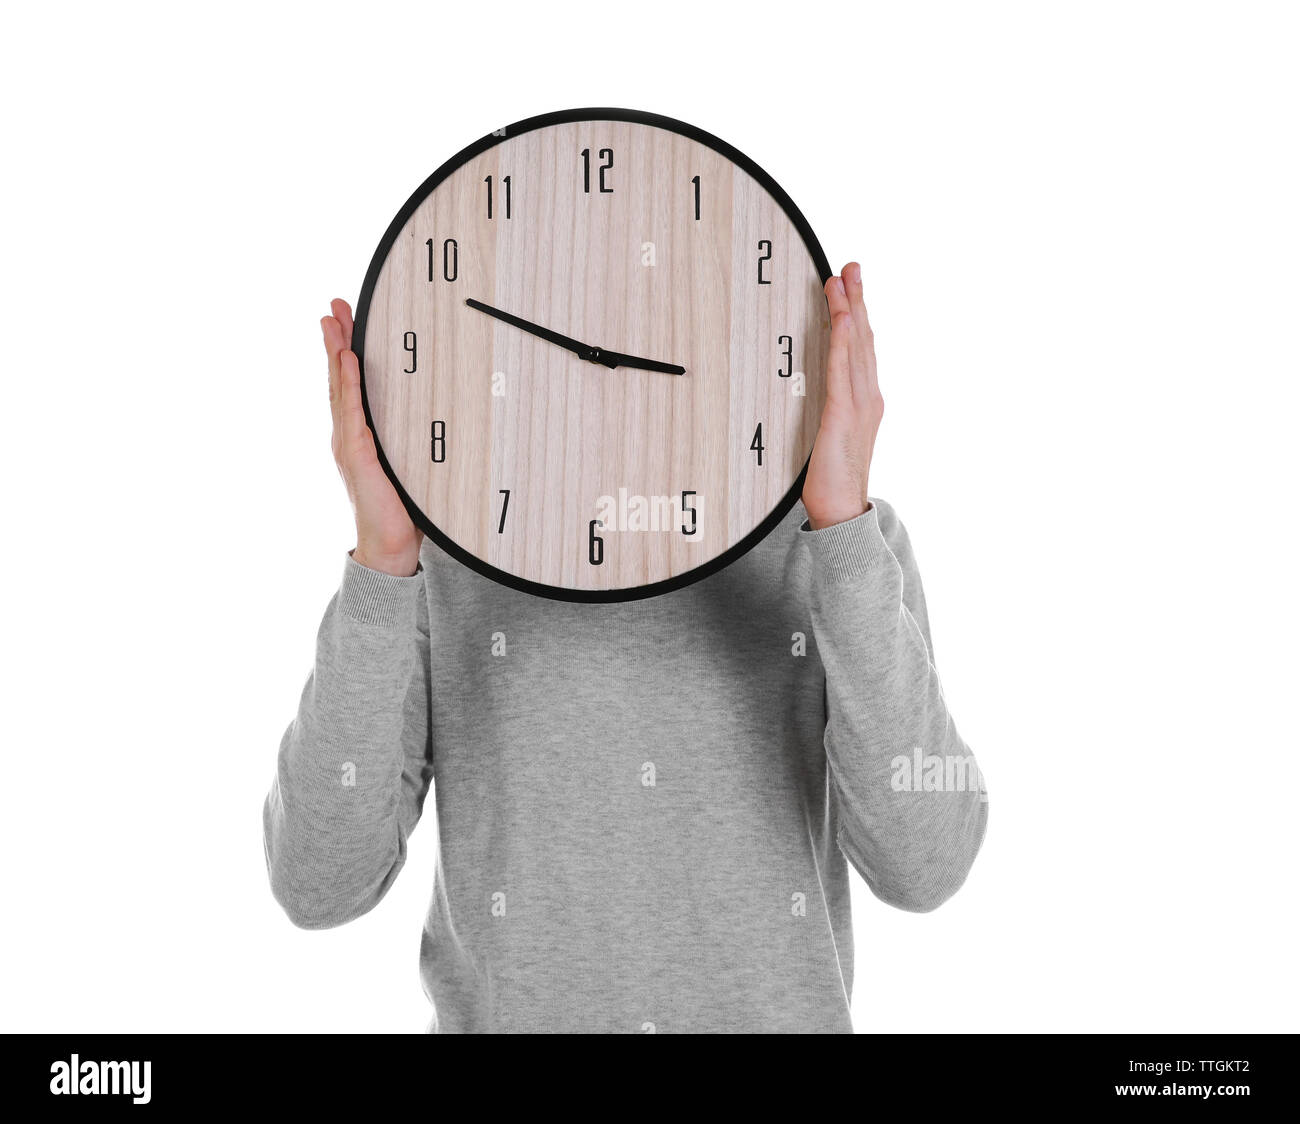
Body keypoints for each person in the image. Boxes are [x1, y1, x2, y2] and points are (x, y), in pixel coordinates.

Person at [263, 262, 988, 1033]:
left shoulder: (836, 540)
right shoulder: (442, 555)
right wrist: (382, 561)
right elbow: (318, 884)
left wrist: (842, 524)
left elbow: (926, 866)